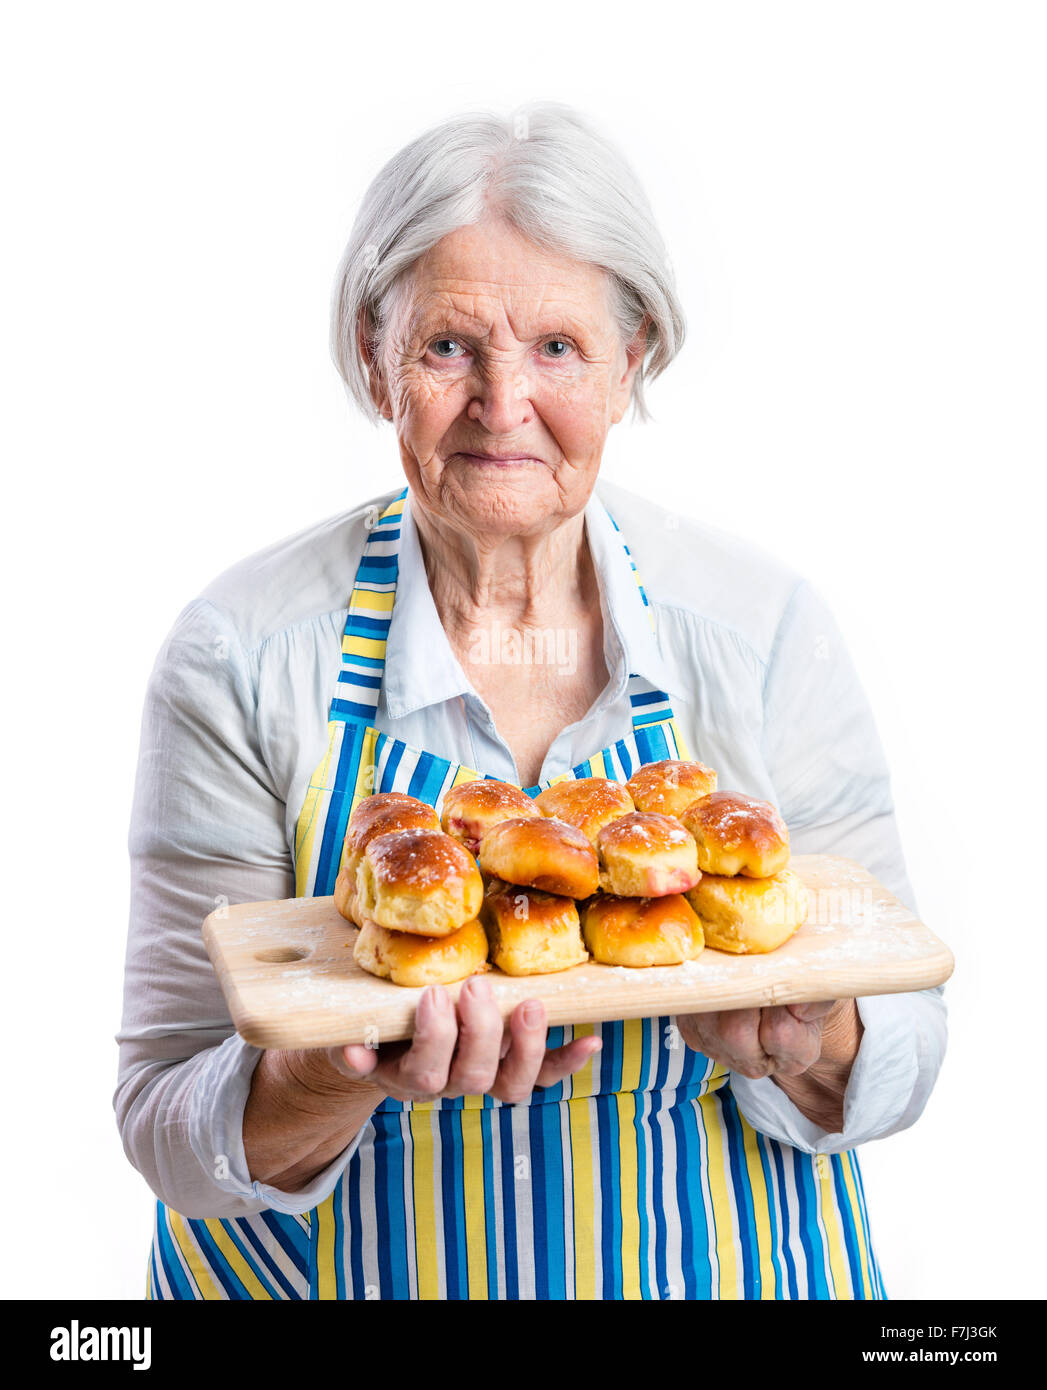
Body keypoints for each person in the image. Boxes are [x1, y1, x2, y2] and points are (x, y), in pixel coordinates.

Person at [116, 102, 946, 1300]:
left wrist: (815, 1039)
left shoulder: (760, 631)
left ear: (633, 365)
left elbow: (910, 1045)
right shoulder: (242, 655)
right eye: (450, 347)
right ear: (372, 359)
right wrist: (337, 1073)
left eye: (558, 346)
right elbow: (161, 1114)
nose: (504, 403)